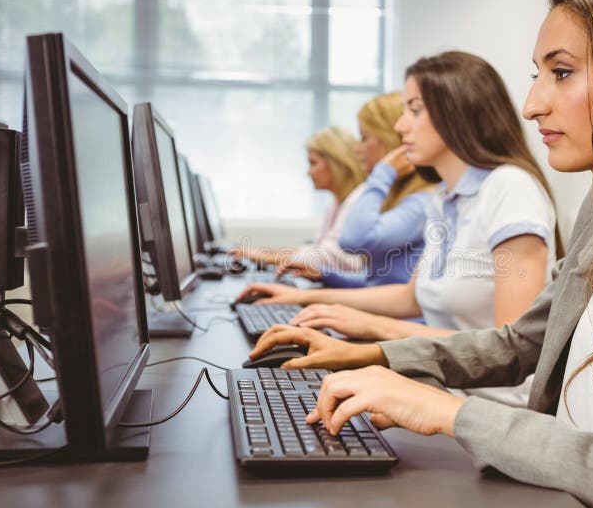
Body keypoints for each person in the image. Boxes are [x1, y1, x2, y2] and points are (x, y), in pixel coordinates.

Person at [247, 0, 593, 508]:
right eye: (536, 74)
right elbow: (521, 342)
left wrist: (450, 414)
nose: (531, 104)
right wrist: (377, 356)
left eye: (561, 73)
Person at [241, 51, 563, 405]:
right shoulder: (444, 198)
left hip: (493, 410)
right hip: (441, 387)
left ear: (457, 112)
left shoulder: (510, 189)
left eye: (414, 110)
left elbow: (511, 347)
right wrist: (308, 299)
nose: (400, 126)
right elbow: (409, 297)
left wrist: (375, 329)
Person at [276, 92, 436, 288]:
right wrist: (324, 275)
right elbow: (375, 284)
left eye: (364, 138)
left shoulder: (421, 205)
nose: (357, 149)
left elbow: (353, 241)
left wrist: (384, 172)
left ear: (392, 142)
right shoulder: (399, 200)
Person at [237, 126, 367, 274]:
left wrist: (267, 258)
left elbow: (330, 257)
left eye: (313, 163)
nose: (308, 172)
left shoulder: (359, 199)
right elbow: (317, 249)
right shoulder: (335, 204)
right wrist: (267, 253)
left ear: (336, 163)